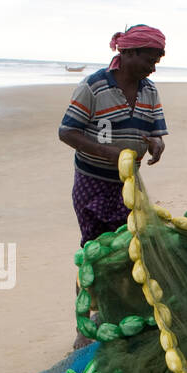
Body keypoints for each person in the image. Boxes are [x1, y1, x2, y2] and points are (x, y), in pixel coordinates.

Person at [58, 25, 167, 244]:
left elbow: (156, 133)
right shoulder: (93, 86)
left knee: (130, 246)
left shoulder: (150, 91)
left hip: (129, 183)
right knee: (96, 248)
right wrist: (105, 152)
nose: (153, 68)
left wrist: (157, 144)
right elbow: (67, 132)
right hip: (92, 183)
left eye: (156, 62)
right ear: (128, 52)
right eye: (149, 61)